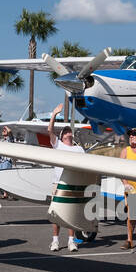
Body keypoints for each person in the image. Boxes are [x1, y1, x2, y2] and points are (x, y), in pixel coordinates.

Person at [47, 105, 85, 252]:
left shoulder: (79, 149)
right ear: (62, 136)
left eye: (70, 131)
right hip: (58, 183)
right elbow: (50, 131)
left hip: (73, 184)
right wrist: (54, 114)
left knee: (71, 213)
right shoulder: (58, 145)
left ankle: (71, 241)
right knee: (55, 213)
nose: (69, 132)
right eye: (66, 131)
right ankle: (55, 240)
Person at [0, 126, 16, 200]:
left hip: (7, 161)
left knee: (6, 177)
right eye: (3, 130)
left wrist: (6, 127)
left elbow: (10, 132)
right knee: (3, 177)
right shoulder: (2, 141)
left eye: (5, 130)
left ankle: (8, 194)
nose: (3, 130)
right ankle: (5, 193)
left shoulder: (10, 140)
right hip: (2, 161)